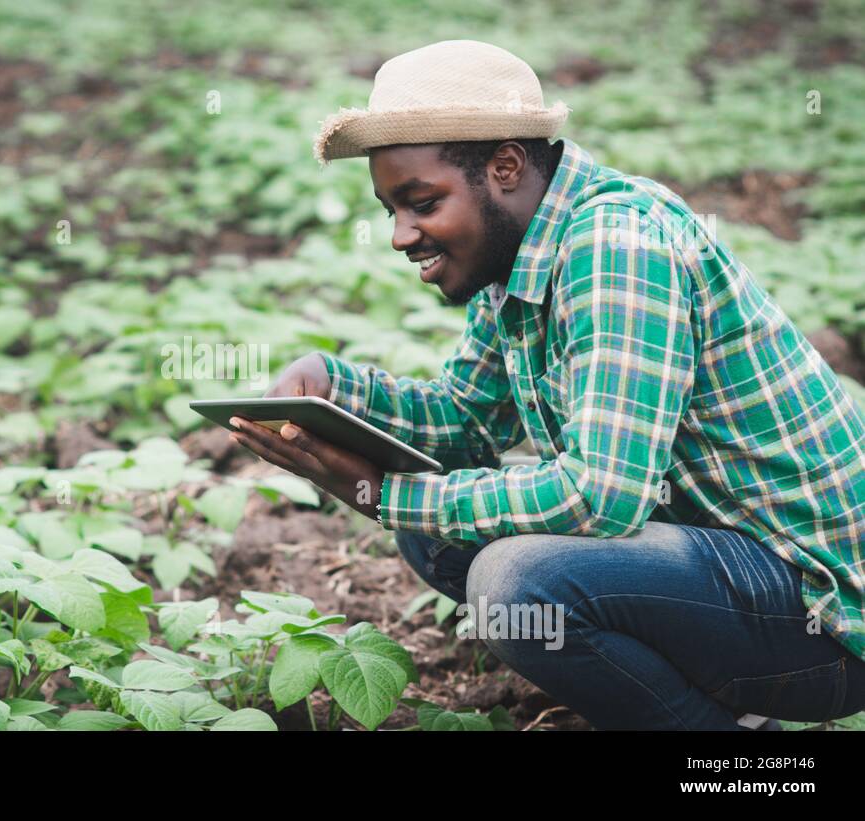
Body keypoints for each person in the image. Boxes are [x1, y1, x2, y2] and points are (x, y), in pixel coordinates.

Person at [228, 39, 865, 730]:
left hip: (824, 617)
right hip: (731, 569)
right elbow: (467, 424)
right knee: (436, 526)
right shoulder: (516, 253)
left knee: (517, 580)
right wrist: (334, 389)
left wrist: (384, 494)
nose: (400, 235)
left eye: (421, 202)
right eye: (390, 209)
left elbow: (602, 497)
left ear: (506, 166)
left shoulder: (618, 244)